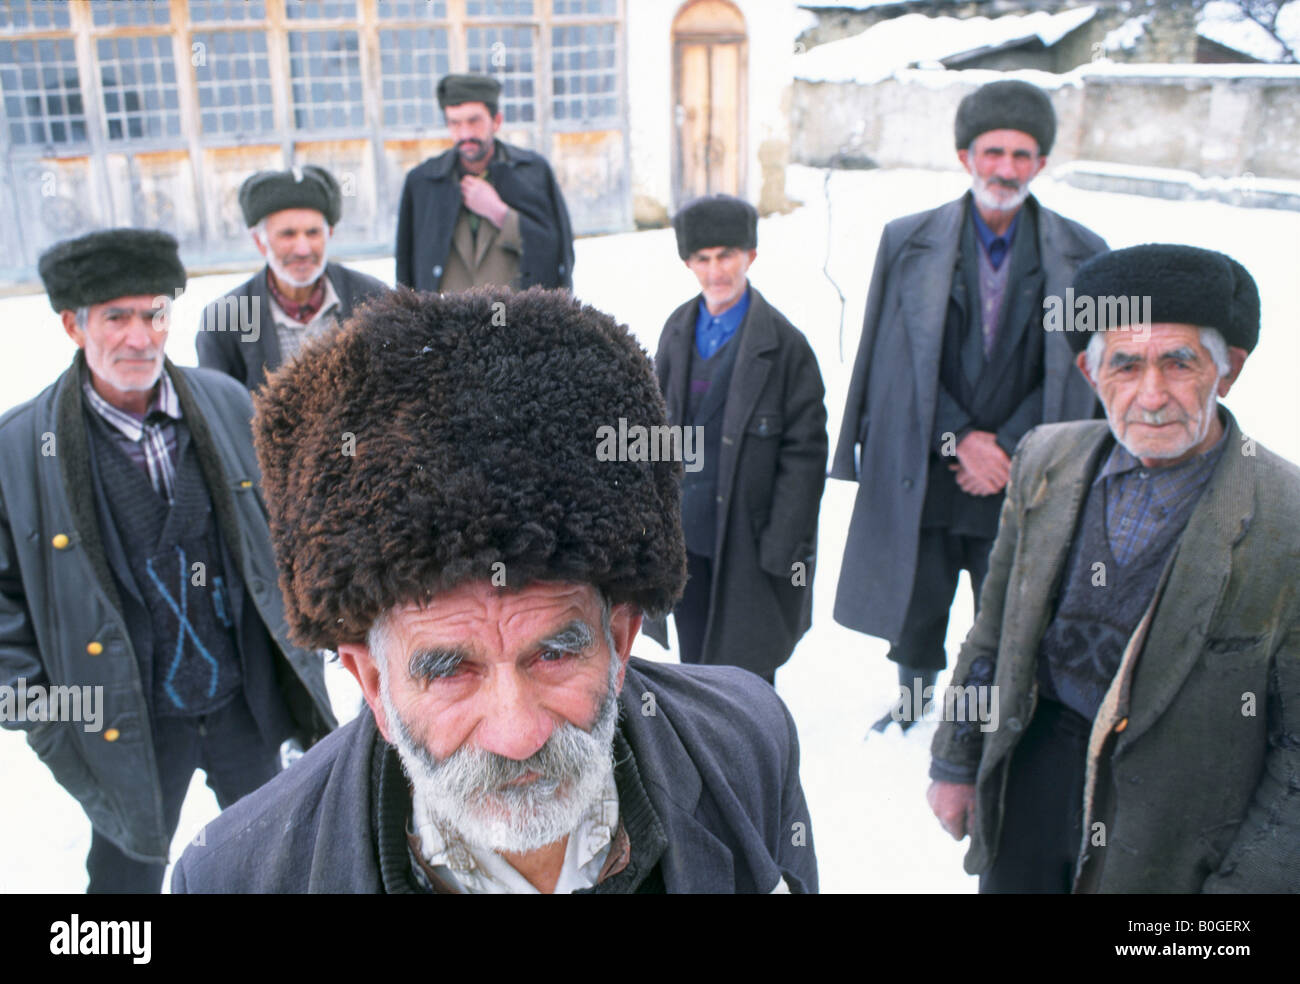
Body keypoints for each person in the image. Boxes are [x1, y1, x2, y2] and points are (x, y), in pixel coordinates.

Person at [170, 286, 818, 894]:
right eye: (450, 670)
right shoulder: (234, 877)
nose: (517, 734)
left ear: (620, 641)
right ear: (371, 682)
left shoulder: (749, 741)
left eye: (555, 654)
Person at [928, 244, 1300, 892]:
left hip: (1175, 829)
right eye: (1124, 365)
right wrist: (955, 759)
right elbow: (993, 630)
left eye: (1180, 362)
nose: (1151, 396)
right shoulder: (1046, 459)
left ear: (1228, 370)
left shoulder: (1284, 515)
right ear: (1089, 371)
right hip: (1030, 778)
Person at [0, 229, 336, 893]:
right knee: (125, 875)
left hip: (245, 702)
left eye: (153, 313)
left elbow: (293, 529)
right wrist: (35, 701)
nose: (138, 337)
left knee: (275, 854)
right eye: (115, 317)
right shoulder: (17, 449)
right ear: (73, 325)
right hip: (127, 720)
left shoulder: (229, 404)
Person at [829, 79, 1108, 733]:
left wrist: (1004, 446)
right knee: (918, 601)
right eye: (992, 152)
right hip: (929, 464)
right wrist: (962, 440)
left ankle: (991, 718)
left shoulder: (1083, 254)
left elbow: (1082, 373)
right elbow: (891, 361)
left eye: (1021, 155)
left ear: (1041, 163)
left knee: (1008, 602)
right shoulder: (909, 241)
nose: (1005, 169)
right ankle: (911, 702)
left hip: (1022, 470)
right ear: (965, 156)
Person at [643, 195, 827, 686]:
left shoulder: (785, 346)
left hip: (749, 536)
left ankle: (754, 755)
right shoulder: (677, 330)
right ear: (688, 263)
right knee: (696, 663)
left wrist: (781, 545)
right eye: (702, 258)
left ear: (751, 256)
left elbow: (805, 455)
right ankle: (703, 754)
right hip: (687, 535)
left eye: (726, 255)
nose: (715, 270)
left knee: (748, 668)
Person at [196, 165, 388, 392]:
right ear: (260, 241)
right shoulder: (223, 321)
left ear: (330, 234)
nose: (303, 249)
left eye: (313, 233)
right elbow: (218, 411)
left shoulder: (375, 300)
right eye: (288, 234)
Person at [394, 73, 574, 293]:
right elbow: (406, 268)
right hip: (446, 324)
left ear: (496, 121)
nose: (465, 133)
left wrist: (499, 214)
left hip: (517, 321)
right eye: (455, 123)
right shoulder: (423, 182)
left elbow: (556, 253)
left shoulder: (533, 172)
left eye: (474, 121)